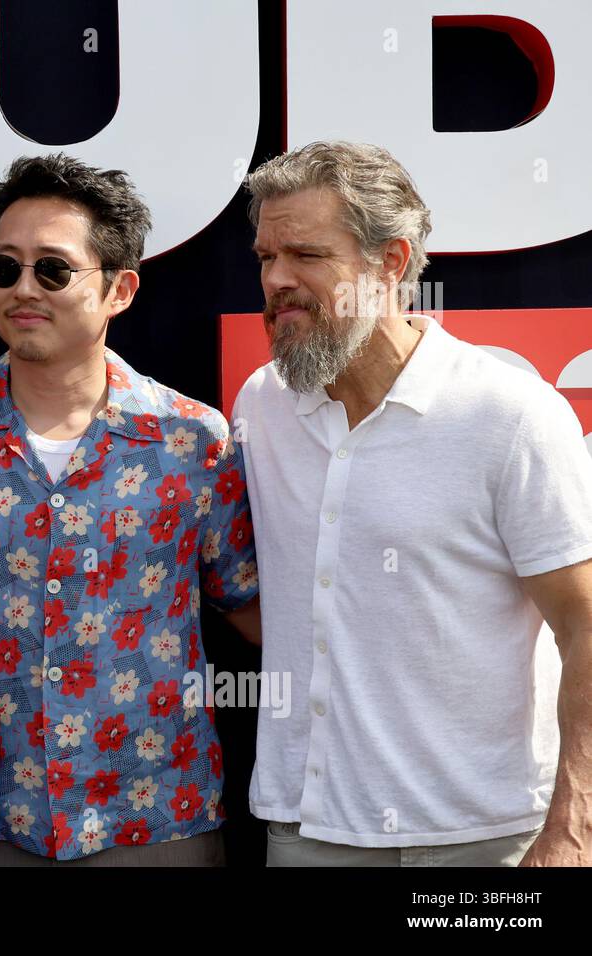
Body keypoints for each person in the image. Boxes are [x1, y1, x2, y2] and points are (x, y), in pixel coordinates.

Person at [235, 140, 592, 866]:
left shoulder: (509, 415)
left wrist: (574, 825)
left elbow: (585, 622)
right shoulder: (261, 406)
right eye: (266, 258)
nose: (277, 280)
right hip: (306, 833)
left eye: (305, 255)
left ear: (391, 263)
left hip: (481, 838)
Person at [0, 153, 262, 866]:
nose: (22, 288)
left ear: (120, 289)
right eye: (3, 267)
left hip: (156, 820)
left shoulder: (192, 440)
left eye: (52, 269)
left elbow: (253, 611)